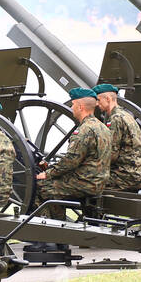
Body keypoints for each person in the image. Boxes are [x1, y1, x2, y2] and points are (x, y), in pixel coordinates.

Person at [35, 87, 110, 219]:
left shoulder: (84, 130)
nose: (72, 108)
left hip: (84, 183)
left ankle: (57, 227)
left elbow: (71, 161)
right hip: (99, 182)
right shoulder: (103, 128)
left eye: (73, 105)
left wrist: (47, 174)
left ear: (80, 107)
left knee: (42, 187)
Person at [93, 83, 141, 192]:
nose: (97, 104)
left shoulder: (115, 119)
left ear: (108, 98)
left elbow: (111, 154)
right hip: (140, 173)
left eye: (99, 100)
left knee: (86, 182)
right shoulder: (126, 115)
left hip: (127, 176)